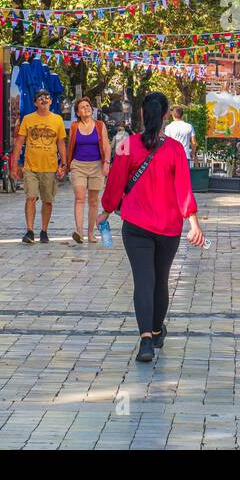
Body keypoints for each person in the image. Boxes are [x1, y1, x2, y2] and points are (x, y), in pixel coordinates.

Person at [97, 92, 204, 363]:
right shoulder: (176, 149)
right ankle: (157, 331)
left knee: (143, 280)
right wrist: (193, 222)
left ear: (142, 114)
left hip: (135, 225)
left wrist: (106, 210)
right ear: (166, 115)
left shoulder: (126, 145)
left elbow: (115, 184)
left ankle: (146, 339)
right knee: (161, 280)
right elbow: (184, 189)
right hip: (168, 227)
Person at [12, 88, 67, 244]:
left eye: (46, 97)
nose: (43, 100)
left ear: (50, 101)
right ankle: (29, 231)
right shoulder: (28, 119)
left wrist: (64, 164)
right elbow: (19, 142)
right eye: (40, 98)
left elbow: (61, 143)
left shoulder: (57, 120)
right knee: (31, 197)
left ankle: (44, 230)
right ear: (35, 103)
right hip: (31, 167)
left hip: (50, 167)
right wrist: (14, 165)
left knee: (47, 201)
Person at [66, 97, 111, 244]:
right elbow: (70, 147)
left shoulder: (99, 125)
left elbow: (105, 145)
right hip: (78, 165)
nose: (86, 108)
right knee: (79, 198)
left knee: (93, 201)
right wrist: (66, 165)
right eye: (82, 107)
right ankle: (79, 231)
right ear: (78, 113)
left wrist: (106, 163)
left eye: (88, 105)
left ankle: (91, 233)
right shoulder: (74, 127)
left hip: (97, 165)